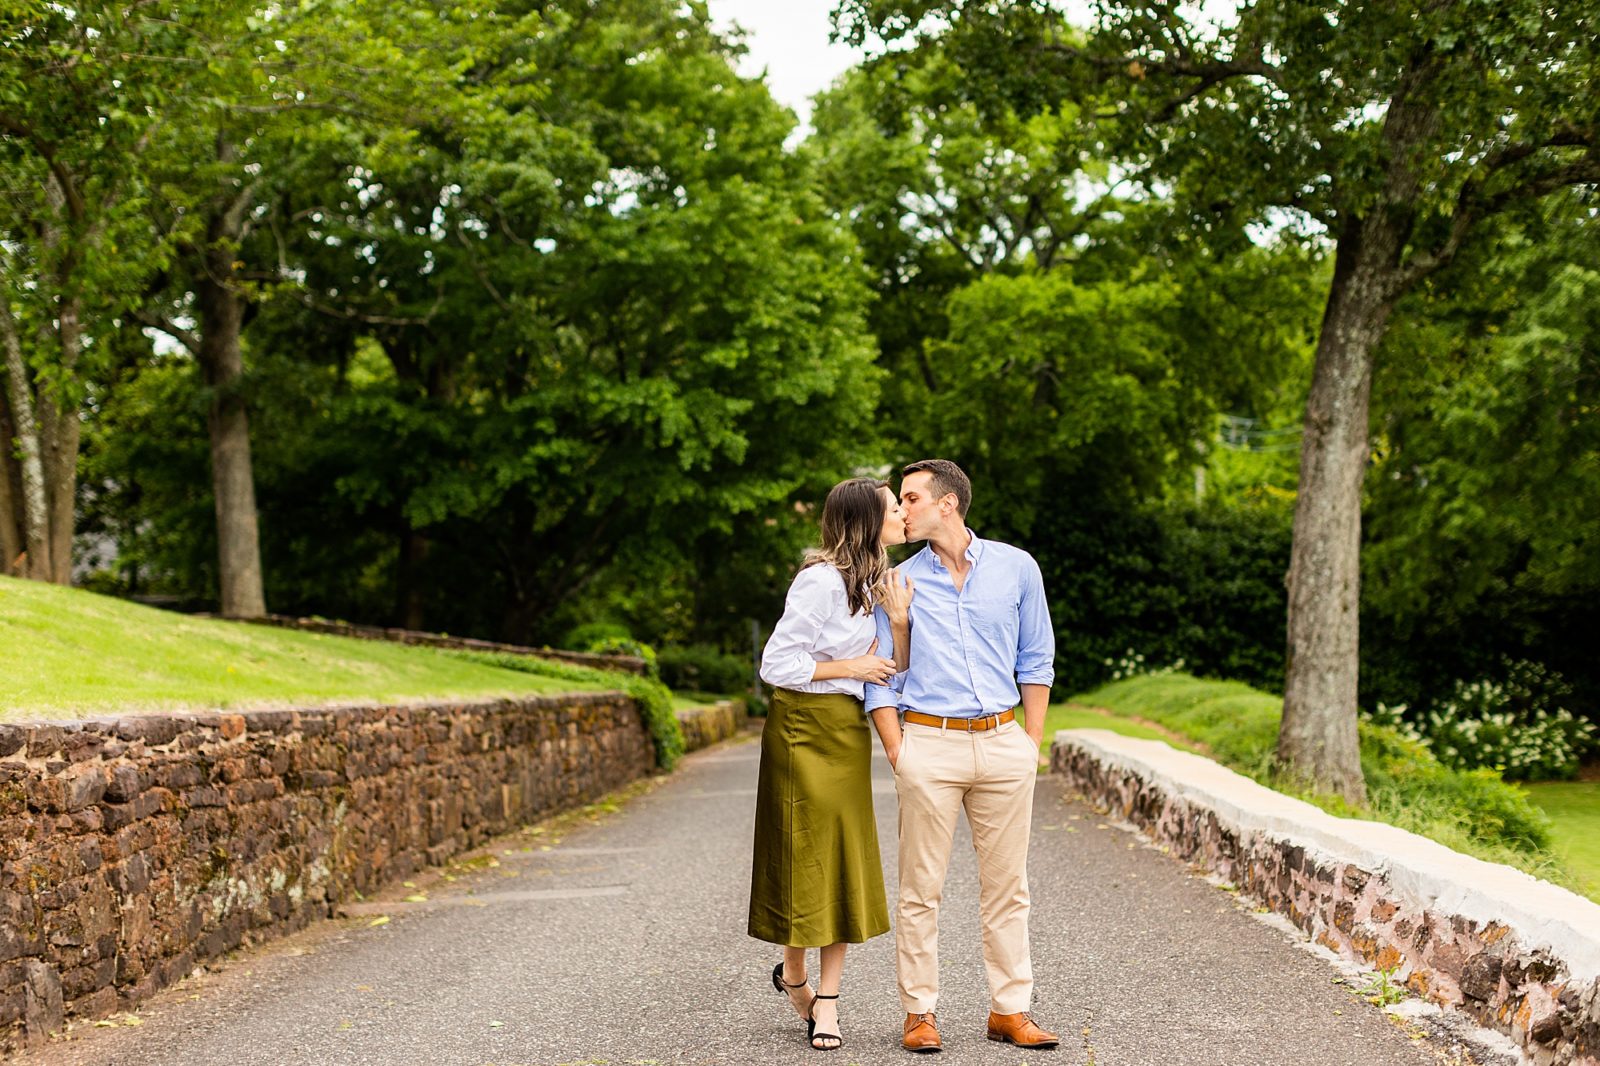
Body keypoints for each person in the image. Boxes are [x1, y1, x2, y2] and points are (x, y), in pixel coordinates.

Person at [865, 458, 1060, 1054]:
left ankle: (1010, 1010)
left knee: (1009, 888)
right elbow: (880, 676)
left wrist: (1029, 744)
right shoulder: (895, 581)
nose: (901, 509)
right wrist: (899, 750)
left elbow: (1037, 659)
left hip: (1003, 744)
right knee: (921, 889)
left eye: (911, 498)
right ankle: (919, 1012)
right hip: (930, 743)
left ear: (947, 503)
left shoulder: (1016, 568)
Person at [749, 477, 914, 1051]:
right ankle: (795, 976)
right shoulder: (819, 582)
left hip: (846, 733)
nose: (903, 515)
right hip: (800, 728)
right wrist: (845, 667)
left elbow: (891, 669)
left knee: (840, 857)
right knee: (803, 856)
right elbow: (776, 663)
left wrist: (897, 623)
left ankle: (829, 1002)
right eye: (895, 508)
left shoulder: (875, 584)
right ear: (868, 521)